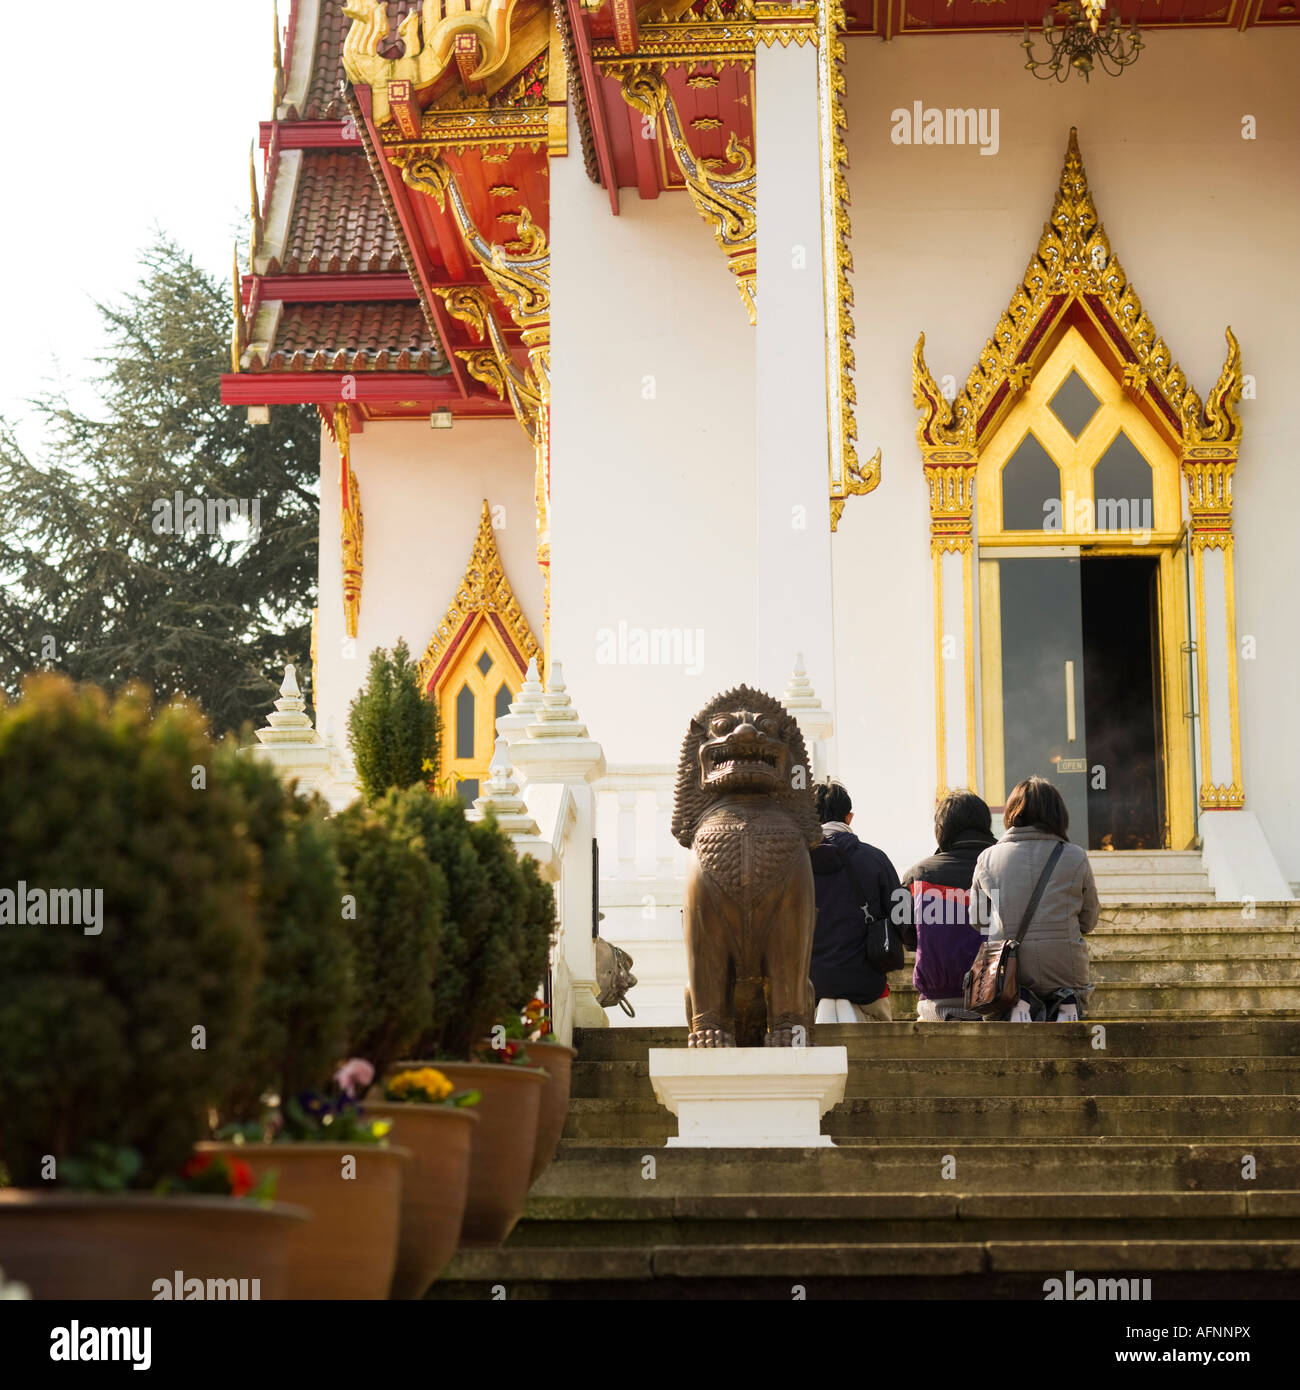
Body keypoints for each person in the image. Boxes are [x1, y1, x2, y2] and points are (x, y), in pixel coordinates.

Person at [970, 776, 1099, 1020]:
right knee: (1072, 989)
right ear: (1057, 814)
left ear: (1011, 813)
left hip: (1010, 970)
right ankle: (1068, 999)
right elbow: (1089, 920)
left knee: (998, 1004)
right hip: (1066, 966)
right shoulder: (1075, 856)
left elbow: (978, 921)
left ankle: (1021, 998)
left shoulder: (987, 858)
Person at [899, 791, 998, 1021]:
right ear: (985, 825)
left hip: (936, 1006)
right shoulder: (1004, 871)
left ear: (941, 830)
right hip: (997, 1002)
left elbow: (906, 936)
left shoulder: (916, 876)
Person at [808, 779, 902, 1022]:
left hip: (807, 989)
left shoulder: (792, 866)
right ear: (849, 818)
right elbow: (902, 921)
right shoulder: (876, 859)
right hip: (866, 988)